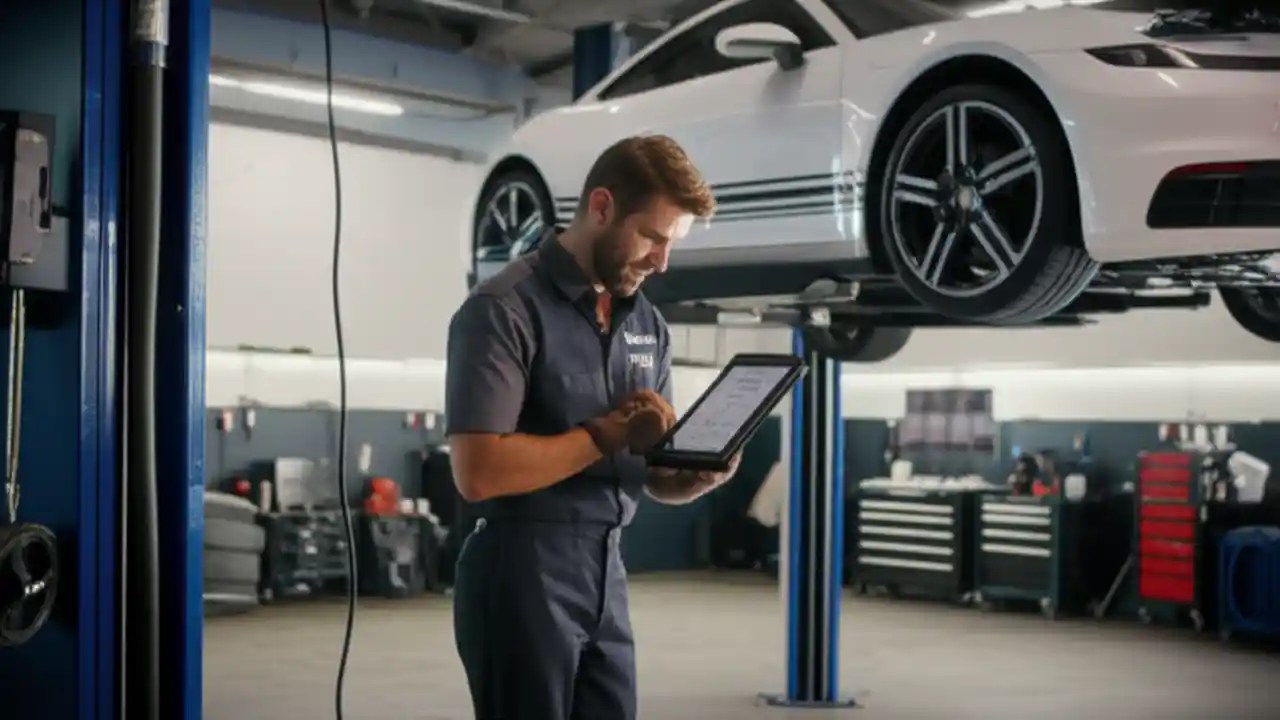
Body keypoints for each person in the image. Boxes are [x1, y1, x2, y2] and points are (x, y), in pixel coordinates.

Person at [444, 134, 741, 719]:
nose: (662, 262)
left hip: (608, 569)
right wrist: (602, 436)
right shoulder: (503, 310)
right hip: (520, 569)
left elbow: (655, 478)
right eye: (653, 237)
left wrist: (701, 473)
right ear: (600, 207)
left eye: (671, 244)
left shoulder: (647, 324)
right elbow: (477, 472)